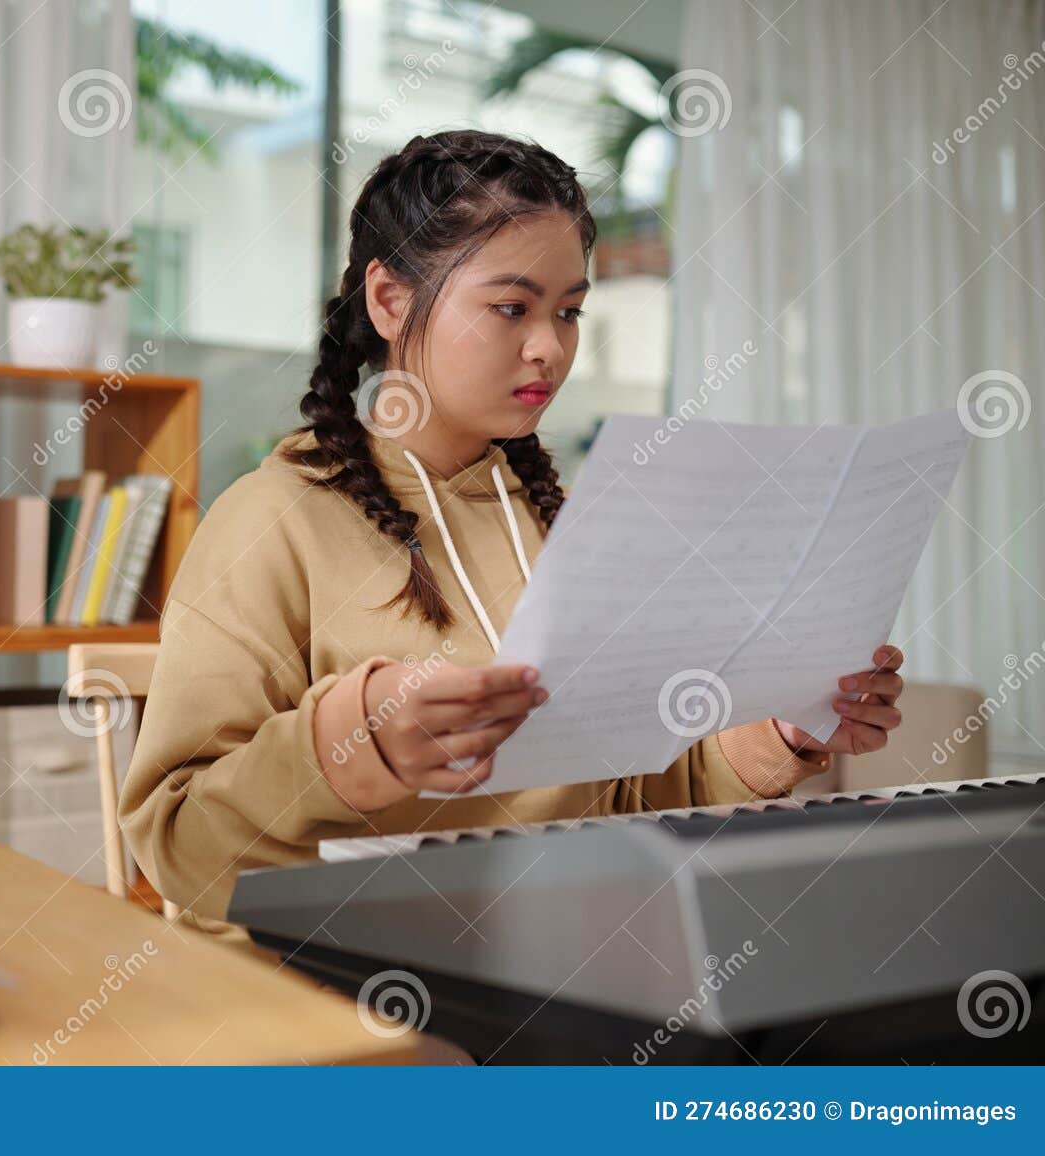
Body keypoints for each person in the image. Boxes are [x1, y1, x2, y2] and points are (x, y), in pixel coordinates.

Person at [118, 128, 906, 938]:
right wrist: (352, 744)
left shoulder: (562, 524)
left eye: (569, 311)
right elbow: (177, 846)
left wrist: (780, 728)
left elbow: (626, 797)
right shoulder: (272, 520)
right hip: (345, 981)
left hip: (568, 953)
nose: (549, 348)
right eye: (510, 308)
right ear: (390, 301)